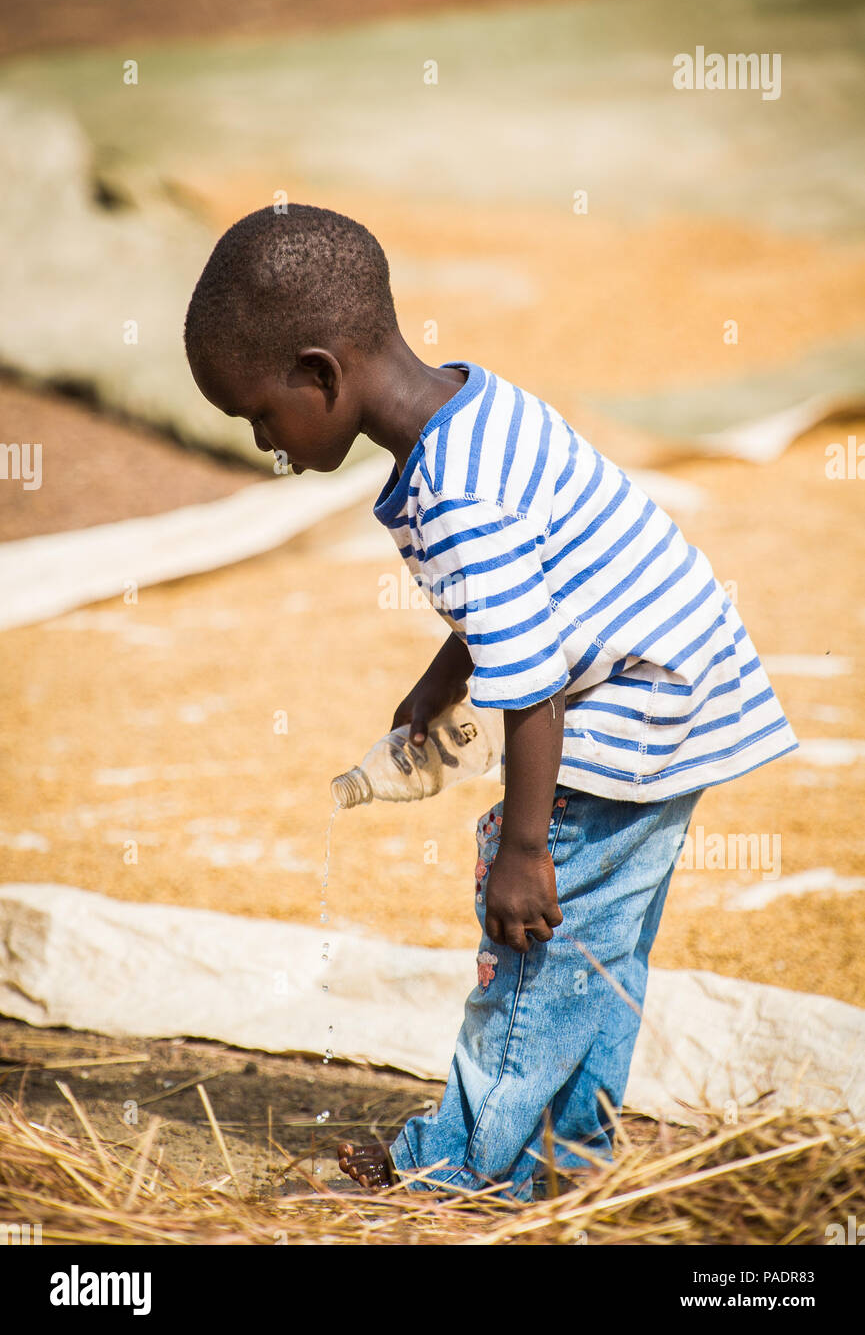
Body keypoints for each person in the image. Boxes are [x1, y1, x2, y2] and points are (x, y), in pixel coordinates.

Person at [184, 204, 798, 1201]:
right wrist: (445, 670)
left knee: (532, 942)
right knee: (595, 960)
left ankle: (455, 1170)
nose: (267, 442)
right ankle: (564, 1165)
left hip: (628, 705)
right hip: (678, 683)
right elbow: (527, 582)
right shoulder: (470, 402)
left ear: (320, 375)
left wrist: (523, 850)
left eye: (260, 415)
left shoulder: (456, 495)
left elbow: (536, 680)